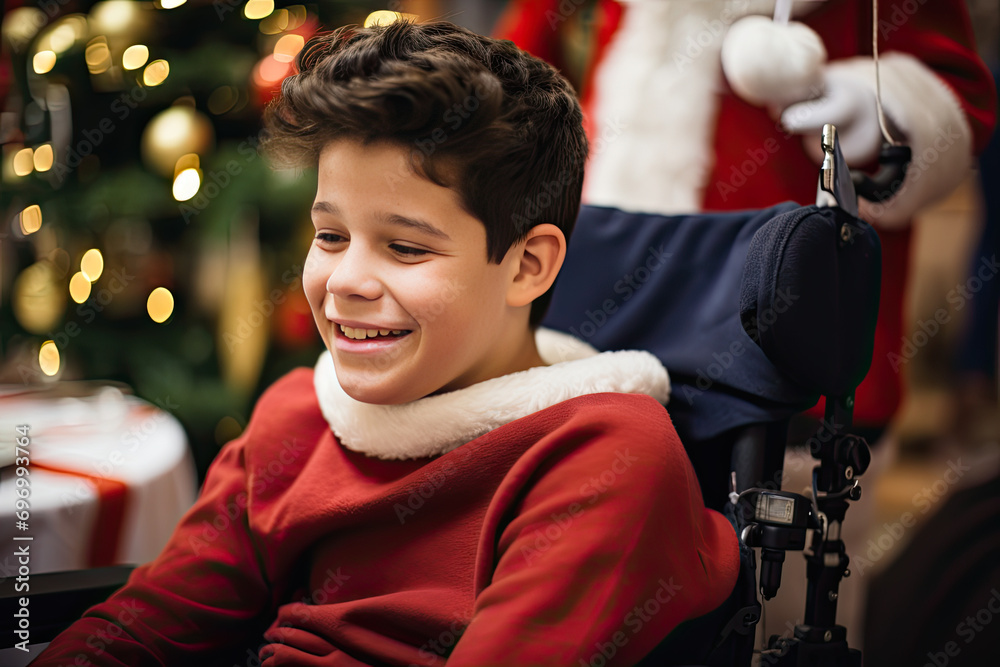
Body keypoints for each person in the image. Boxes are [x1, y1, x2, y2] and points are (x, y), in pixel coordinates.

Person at [30, 20, 739, 666]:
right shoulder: (298, 413)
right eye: (330, 235)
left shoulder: (605, 456)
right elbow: (145, 624)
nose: (345, 281)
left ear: (528, 265)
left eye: (403, 247)